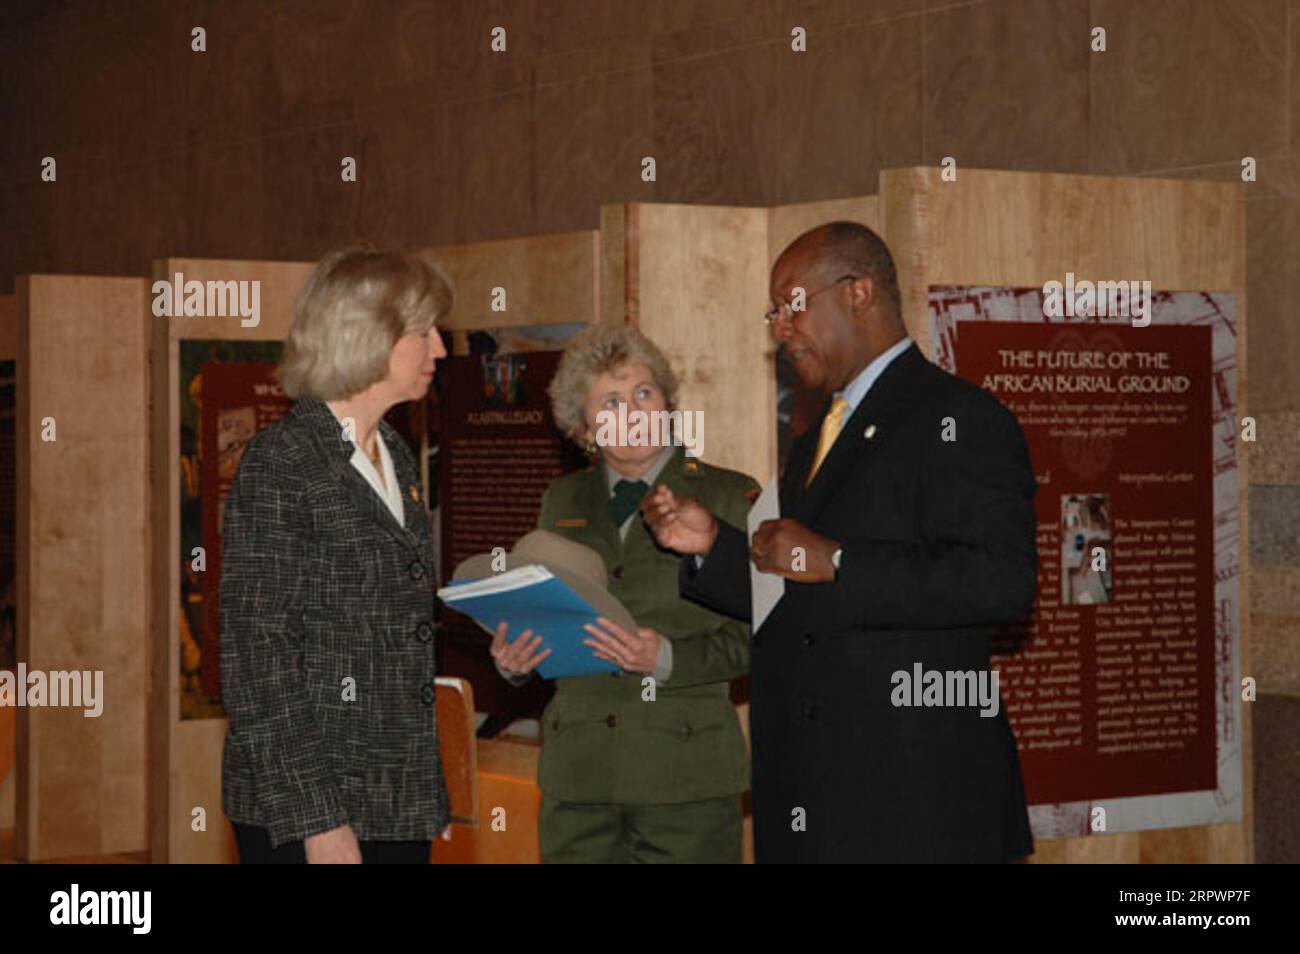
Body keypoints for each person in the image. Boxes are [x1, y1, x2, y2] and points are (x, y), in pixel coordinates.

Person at [642, 222, 1038, 863]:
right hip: (816, 799)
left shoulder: (958, 417)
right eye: (773, 312)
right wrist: (713, 547)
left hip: (915, 807)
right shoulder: (822, 429)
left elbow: (1003, 580)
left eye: (790, 305)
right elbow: (800, 595)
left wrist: (840, 561)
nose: (778, 329)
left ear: (858, 293)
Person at [220, 245, 452, 864]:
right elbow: (257, 656)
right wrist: (316, 818)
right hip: (311, 806)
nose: (441, 350)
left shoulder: (395, 456)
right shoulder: (283, 462)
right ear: (369, 336)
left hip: (394, 799)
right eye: (423, 332)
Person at [492, 325, 759, 863]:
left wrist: (664, 658)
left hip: (686, 779)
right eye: (612, 401)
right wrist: (516, 659)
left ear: (666, 403)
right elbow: (546, 615)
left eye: (644, 393)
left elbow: (763, 634)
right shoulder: (560, 499)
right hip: (579, 779)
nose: (633, 411)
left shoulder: (727, 494)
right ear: (585, 427)